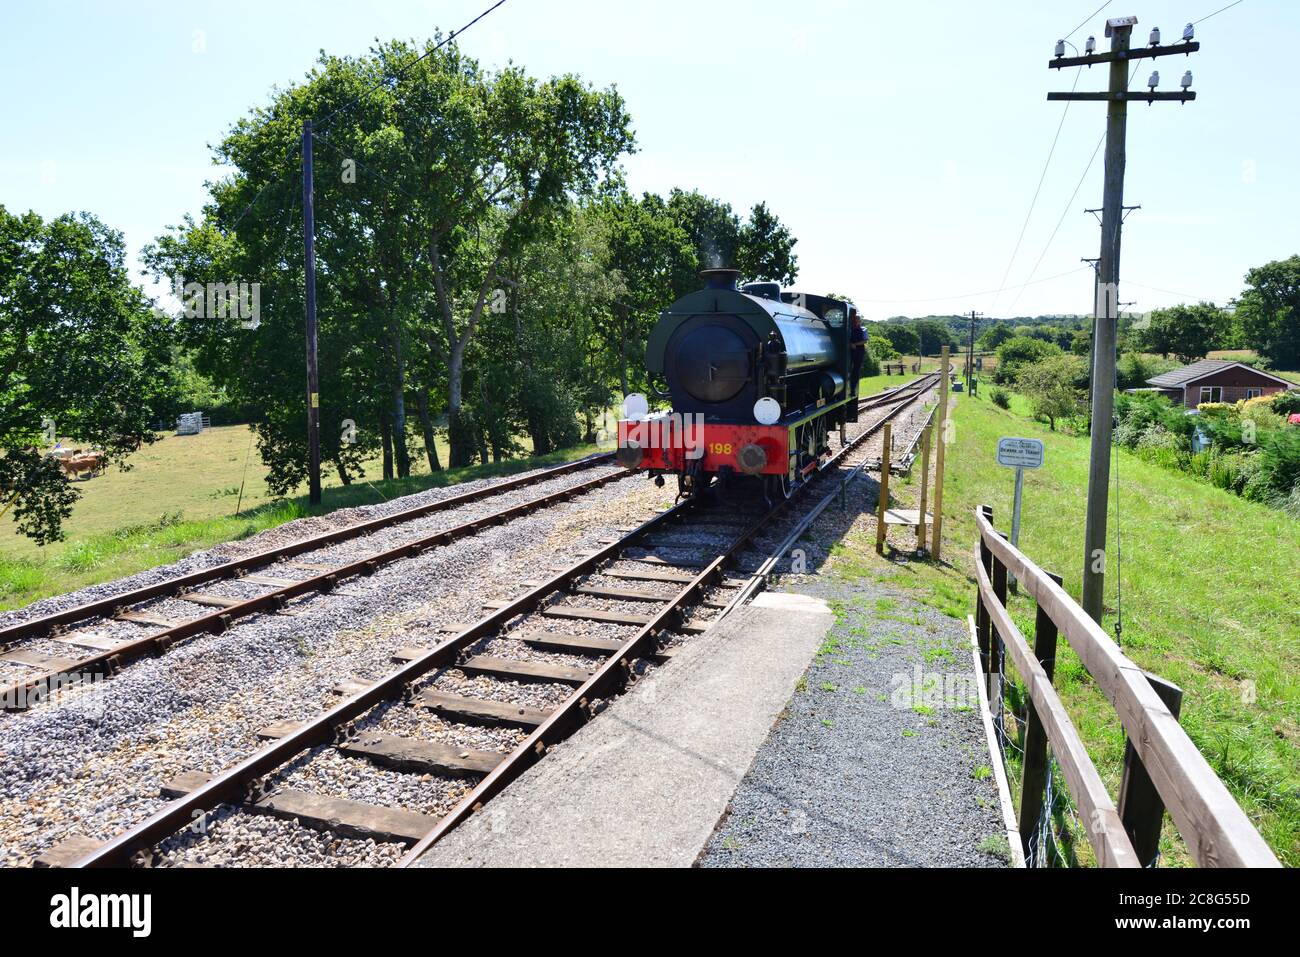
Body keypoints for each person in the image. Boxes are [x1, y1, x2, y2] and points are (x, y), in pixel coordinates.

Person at [849, 313, 866, 396]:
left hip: (859, 351)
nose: (856, 322)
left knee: (856, 370)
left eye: (857, 320)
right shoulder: (850, 329)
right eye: (854, 320)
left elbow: (864, 341)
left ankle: (852, 389)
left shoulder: (863, 330)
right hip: (850, 351)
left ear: (859, 321)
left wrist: (854, 344)